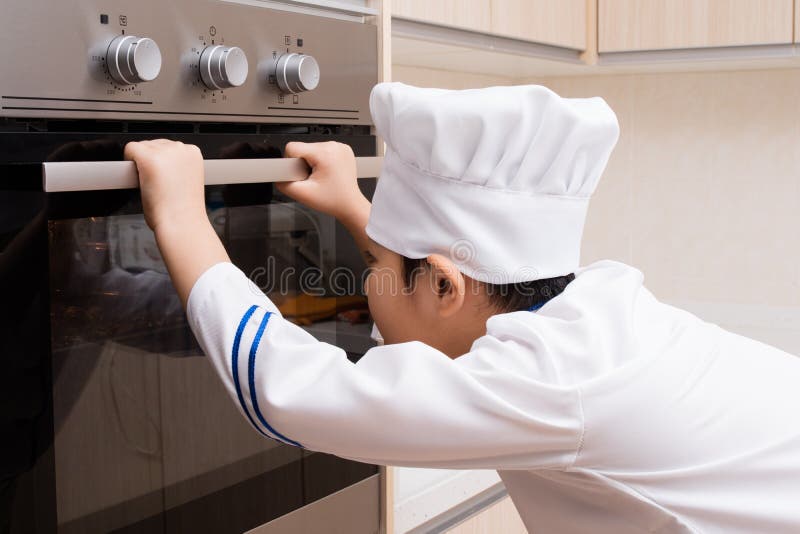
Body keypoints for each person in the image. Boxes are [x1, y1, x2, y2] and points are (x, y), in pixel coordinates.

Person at [124, 82, 800, 533]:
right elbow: (449, 271)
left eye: (376, 268)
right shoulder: (594, 310)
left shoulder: (545, 381)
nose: (367, 286)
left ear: (445, 287)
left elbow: (289, 394)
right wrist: (358, 208)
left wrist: (180, 216)